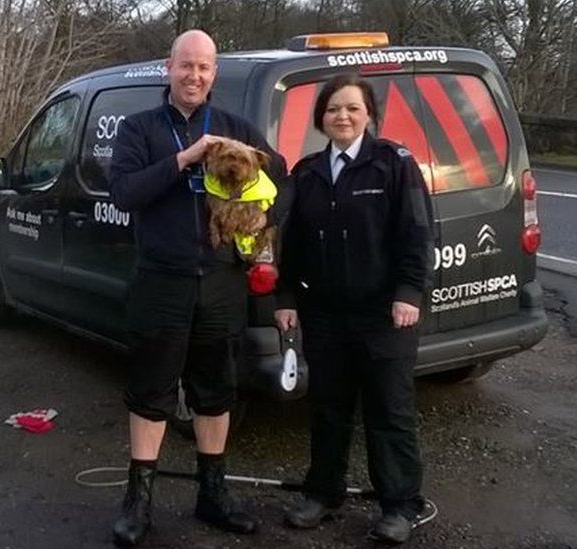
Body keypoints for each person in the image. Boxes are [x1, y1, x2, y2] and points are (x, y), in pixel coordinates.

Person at [106, 29, 285, 547]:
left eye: (204, 68)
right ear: (170, 67)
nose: (195, 76)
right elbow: (124, 193)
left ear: (214, 73)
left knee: (215, 391)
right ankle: (138, 501)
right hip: (161, 280)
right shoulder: (141, 129)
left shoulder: (235, 128)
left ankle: (213, 494)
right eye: (186, 66)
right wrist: (184, 160)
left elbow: (283, 180)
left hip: (222, 281)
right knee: (151, 389)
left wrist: (261, 217)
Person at [274, 74, 436, 545]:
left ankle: (399, 505)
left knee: (390, 411)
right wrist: (285, 299)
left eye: (352, 108)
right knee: (328, 409)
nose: (341, 116)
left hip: (383, 314)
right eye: (332, 110)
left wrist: (409, 291)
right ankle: (323, 494)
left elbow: (417, 234)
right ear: (320, 118)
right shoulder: (306, 173)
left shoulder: (393, 164)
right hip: (325, 314)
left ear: (369, 114)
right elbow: (291, 245)